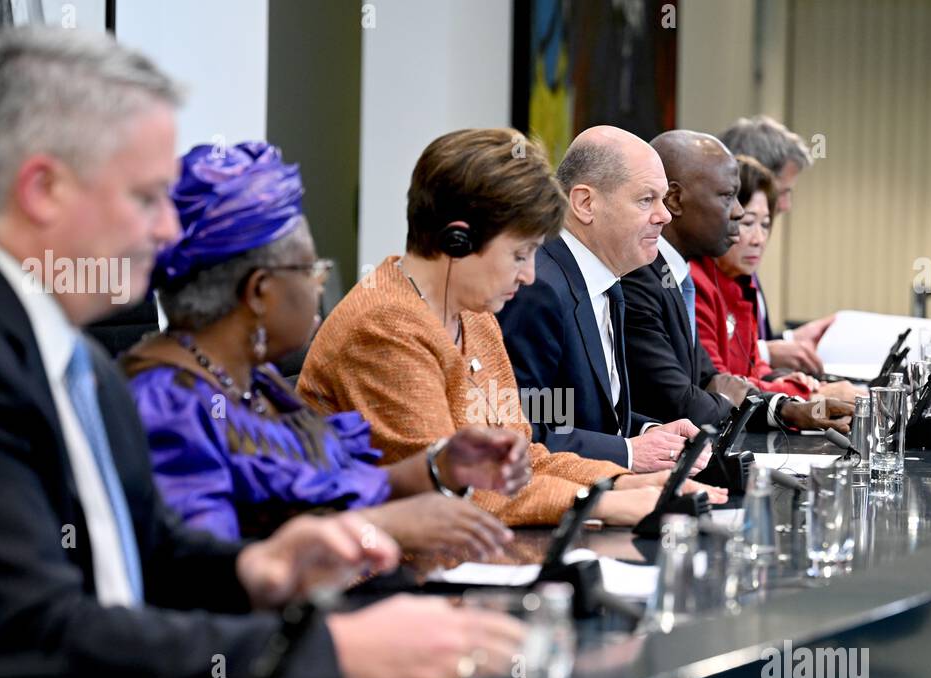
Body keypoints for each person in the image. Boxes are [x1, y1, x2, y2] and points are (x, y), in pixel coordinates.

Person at [0, 28, 524, 678]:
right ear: (44, 190)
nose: (168, 232)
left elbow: (143, 552)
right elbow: (30, 636)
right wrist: (331, 651)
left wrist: (255, 570)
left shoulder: (76, 363)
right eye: (145, 197)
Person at [299, 128, 726, 527]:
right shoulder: (386, 327)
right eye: (520, 255)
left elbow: (523, 456)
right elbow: (447, 493)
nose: (527, 276)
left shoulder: (474, 314)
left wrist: (620, 481)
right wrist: (601, 501)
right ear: (457, 241)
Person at [125, 140, 526, 562]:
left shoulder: (255, 385)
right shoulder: (168, 405)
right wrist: (383, 528)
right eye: (311, 270)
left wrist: (441, 466)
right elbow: (212, 573)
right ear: (260, 292)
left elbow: (337, 488)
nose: (319, 288)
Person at [497, 126, 712, 475]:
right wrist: (628, 452)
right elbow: (525, 433)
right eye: (646, 200)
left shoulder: (605, 277)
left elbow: (591, 416)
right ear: (585, 203)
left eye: (662, 199)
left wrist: (649, 432)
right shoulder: (539, 288)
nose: (665, 215)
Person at [621, 130, 852, 434]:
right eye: (727, 197)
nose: (738, 212)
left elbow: (706, 379)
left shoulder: (674, 277)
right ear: (675, 200)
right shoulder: (640, 278)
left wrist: (789, 409)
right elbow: (683, 405)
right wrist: (725, 395)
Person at [694, 155, 862, 401]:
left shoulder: (742, 281)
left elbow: (754, 366)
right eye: (748, 222)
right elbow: (719, 383)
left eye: (765, 225)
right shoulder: (698, 281)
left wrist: (790, 381)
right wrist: (810, 394)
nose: (759, 239)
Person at [720, 115, 834, 375]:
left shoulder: (744, 256)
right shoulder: (711, 270)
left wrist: (791, 340)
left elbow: (750, 340)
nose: (785, 205)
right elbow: (717, 364)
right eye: (782, 191)